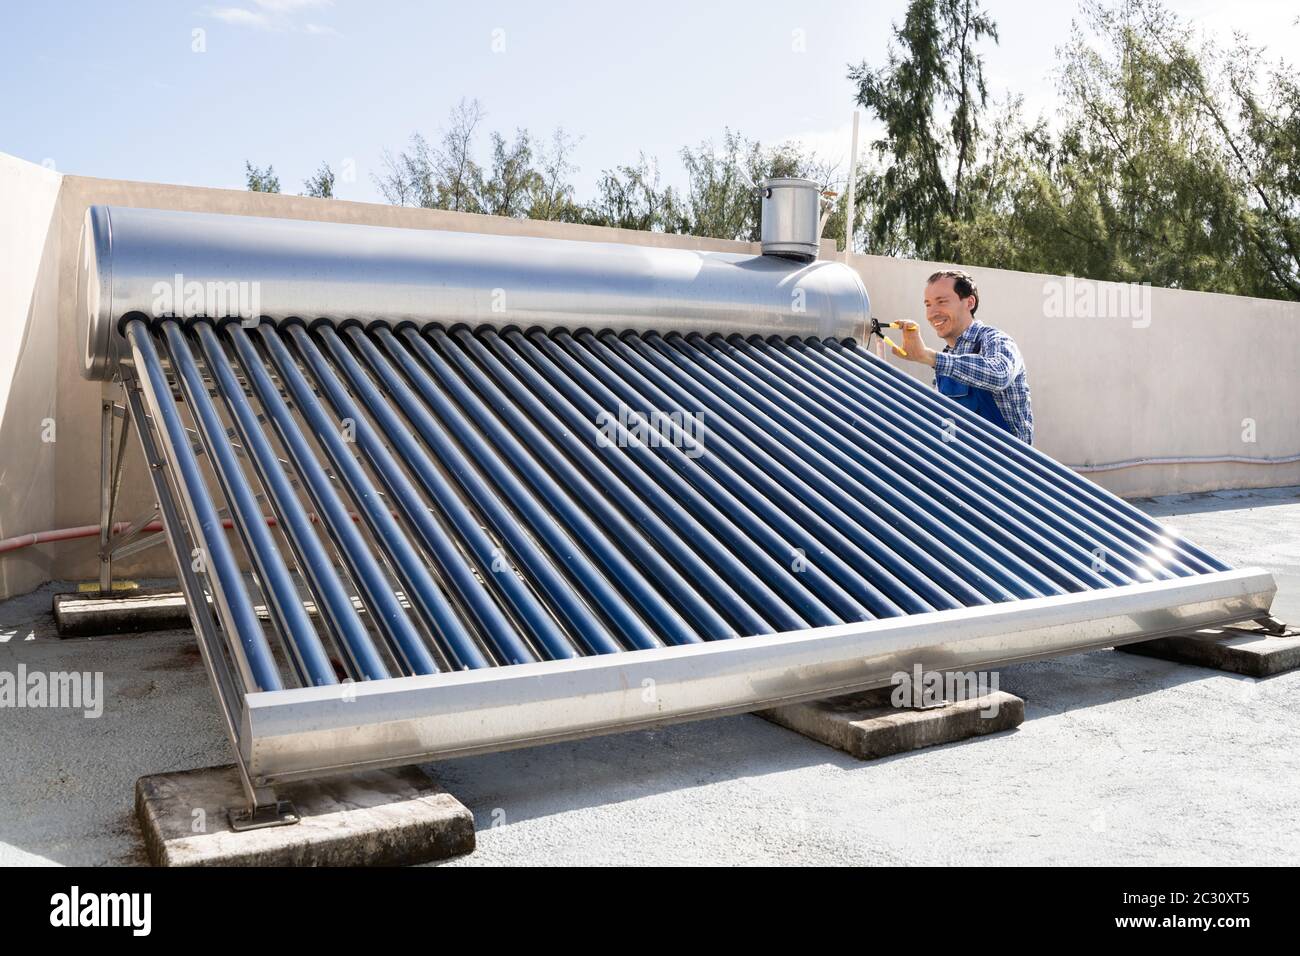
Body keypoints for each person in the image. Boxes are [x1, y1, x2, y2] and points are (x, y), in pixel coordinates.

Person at [893, 269, 1034, 444]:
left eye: (942, 302)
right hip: (962, 467)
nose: (932, 313)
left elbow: (999, 373)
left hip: (1007, 467)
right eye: (928, 304)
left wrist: (929, 357)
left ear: (969, 302)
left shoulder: (995, 340)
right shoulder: (946, 359)